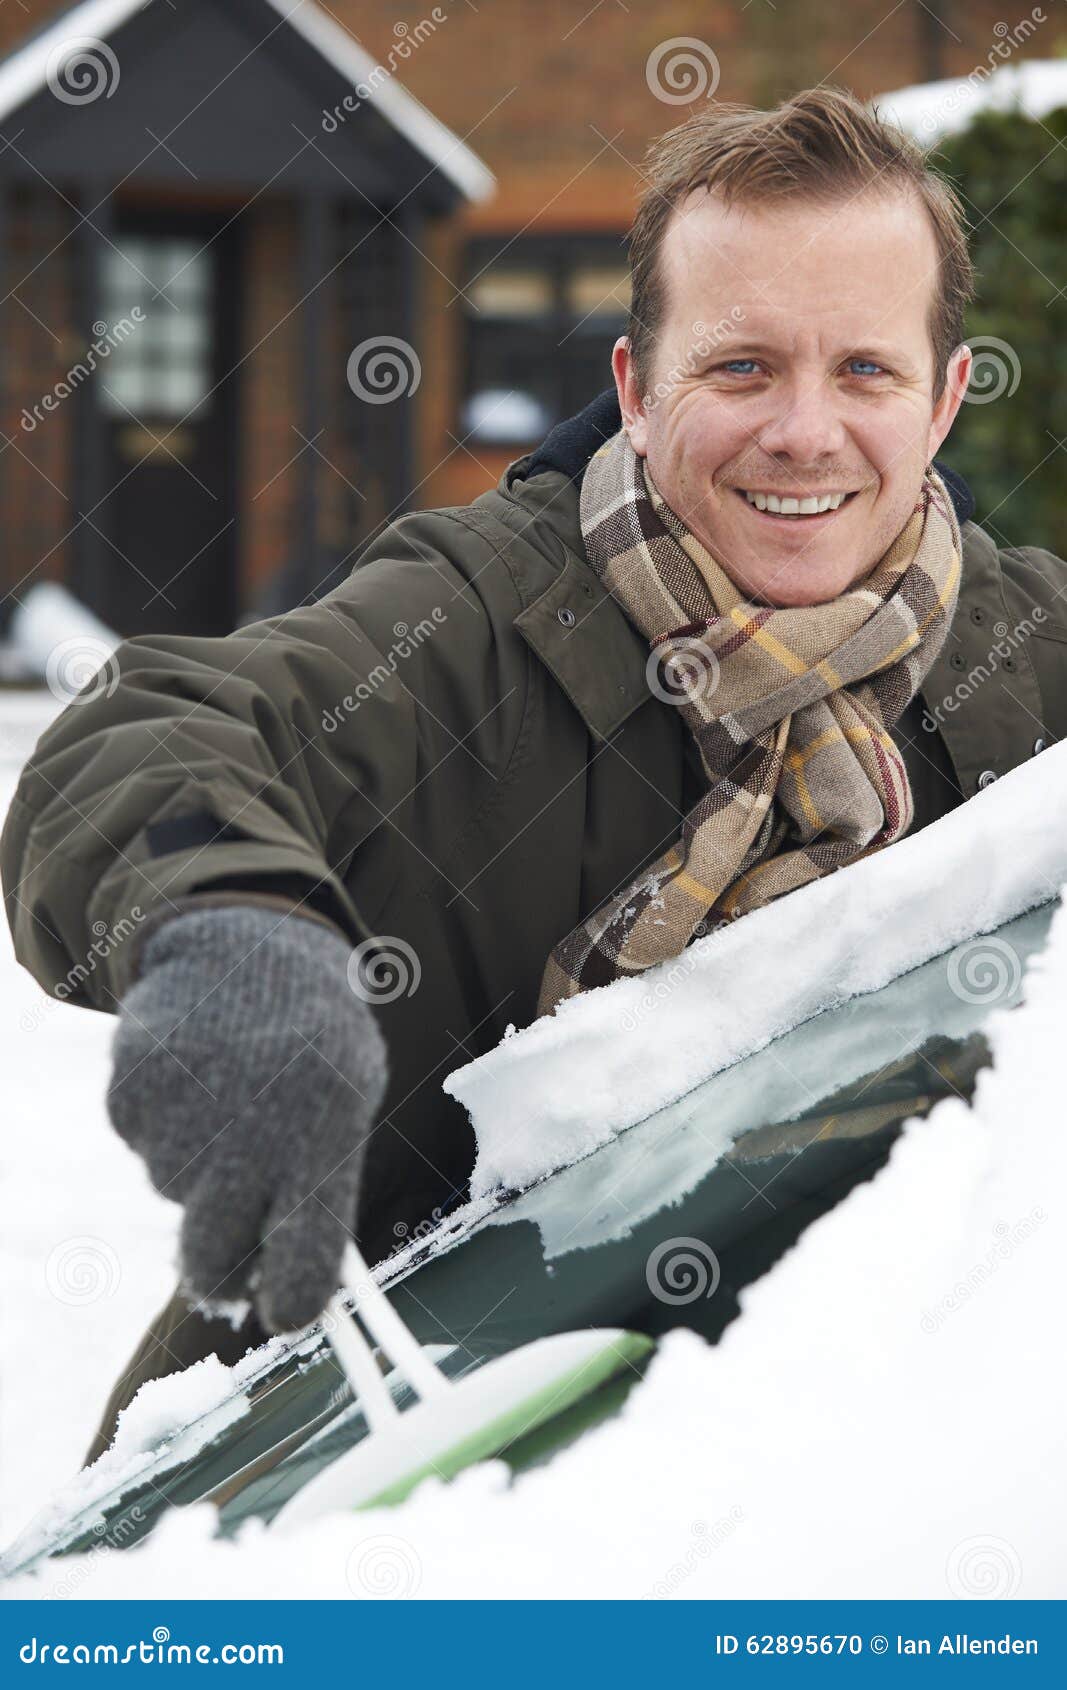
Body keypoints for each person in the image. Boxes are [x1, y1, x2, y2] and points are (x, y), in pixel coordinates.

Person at [3, 86, 1064, 1466]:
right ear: (632, 387)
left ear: (943, 402)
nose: (805, 431)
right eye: (741, 367)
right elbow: (151, 726)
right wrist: (230, 931)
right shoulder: (468, 625)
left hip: (859, 1477)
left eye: (863, 370)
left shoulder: (1030, 668)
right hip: (381, 1474)